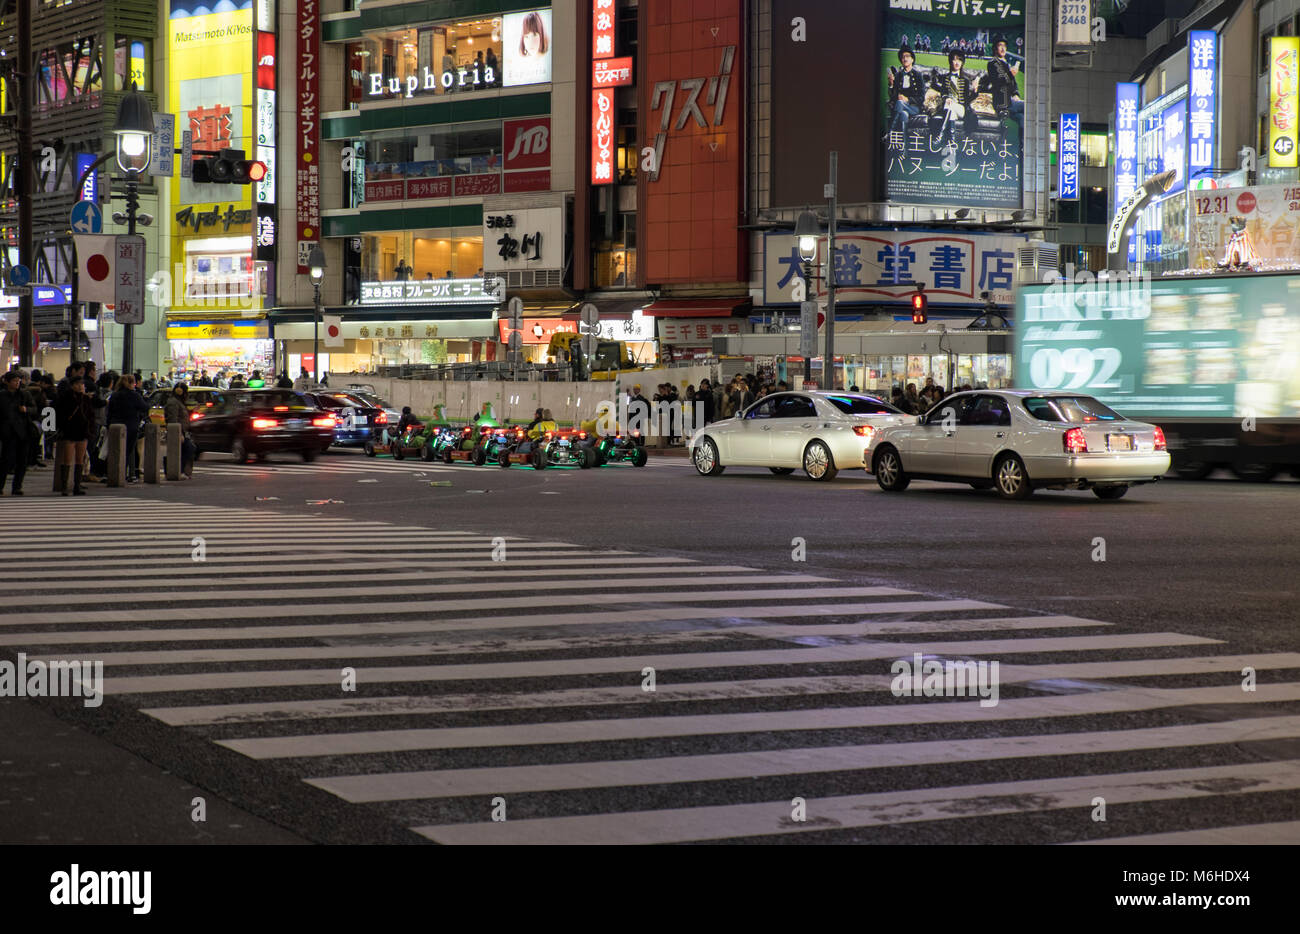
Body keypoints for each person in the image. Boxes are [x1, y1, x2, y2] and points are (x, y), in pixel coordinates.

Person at [933, 50, 982, 149]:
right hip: (949, 108)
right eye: (954, 60)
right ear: (950, 61)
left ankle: (940, 135)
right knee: (951, 110)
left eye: (959, 60)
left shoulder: (965, 80)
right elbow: (943, 93)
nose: (956, 62)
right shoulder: (945, 78)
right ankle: (952, 141)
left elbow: (968, 100)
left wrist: (975, 90)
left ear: (962, 62)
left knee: (951, 107)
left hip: (961, 109)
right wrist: (946, 98)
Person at [55, 375, 94, 495]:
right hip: (69, 431)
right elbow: (60, 414)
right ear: (72, 386)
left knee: (80, 459)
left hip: (82, 431)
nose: (80, 386)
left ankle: (77, 486)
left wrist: (90, 430)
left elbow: (90, 415)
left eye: (82, 384)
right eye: (77, 384)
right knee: (67, 459)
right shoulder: (66, 398)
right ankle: (64, 486)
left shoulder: (86, 399)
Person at [108, 373, 149, 483]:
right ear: (131, 383)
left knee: (116, 451)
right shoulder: (134, 395)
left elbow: (109, 411)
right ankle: (124, 474)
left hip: (115, 425)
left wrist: (108, 426)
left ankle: (114, 474)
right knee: (127, 451)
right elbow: (144, 407)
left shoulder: (115, 395)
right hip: (131, 426)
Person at [0, 370, 31, 495]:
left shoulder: (24, 395)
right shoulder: (2, 396)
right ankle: (1, 486)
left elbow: (35, 409)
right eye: (14, 381)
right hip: (7, 432)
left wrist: (26, 409)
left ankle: (17, 486)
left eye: (18, 381)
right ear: (7, 382)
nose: (17, 383)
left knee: (22, 461)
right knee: (5, 460)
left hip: (23, 431)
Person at [987, 37, 1023, 140]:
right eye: (1000, 46)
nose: (1003, 49)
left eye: (1005, 46)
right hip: (1002, 103)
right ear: (994, 49)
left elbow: (1013, 83)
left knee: (1022, 120)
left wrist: (1016, 93)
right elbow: (998, 82)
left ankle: (1022, 150)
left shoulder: (1005, 63)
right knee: (1031, 107)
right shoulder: (993, 63)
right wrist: (1010, 74)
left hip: (1010, 101)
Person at [886, 48, 926, 136]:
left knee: (900, 103)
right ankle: (905, 148)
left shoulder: (918, 75)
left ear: (912, 59)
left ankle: (889, 133)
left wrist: (907, 99)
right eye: (903, 57)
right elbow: (893, 97)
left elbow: (922, 98)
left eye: (907, 56)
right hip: (901, 107)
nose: (905, 59)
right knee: (903, 114)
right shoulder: (898, 75)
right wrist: (891, 85)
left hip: (914, 107)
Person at [162, 383, 197, 479]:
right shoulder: (173, 402)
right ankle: (179, 471)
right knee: (186, 449)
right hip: (177, 431)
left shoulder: (178, 401)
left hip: (181, 431)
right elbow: (173, 418)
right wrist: (179, 433)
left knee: (186, 449)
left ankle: (182, 471)